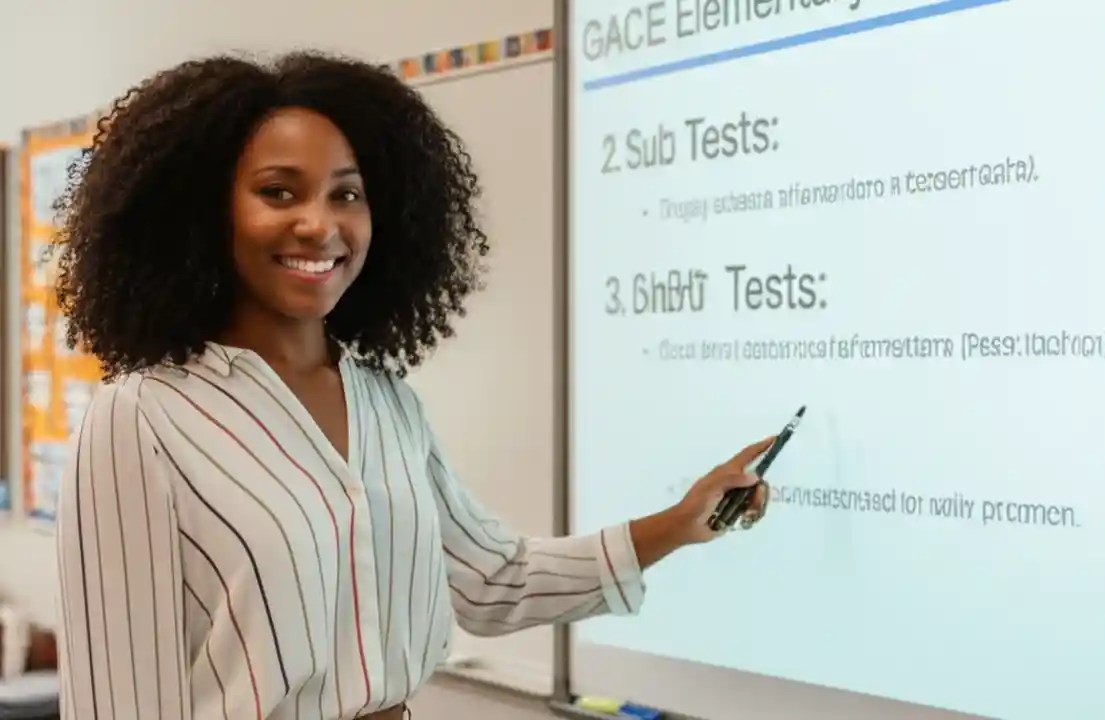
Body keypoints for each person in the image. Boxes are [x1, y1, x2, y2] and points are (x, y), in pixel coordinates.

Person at [49, 51, 772, 720]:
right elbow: (117, 698)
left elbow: (495, 579)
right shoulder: (140, 418)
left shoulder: (385, 403)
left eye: (348, 194)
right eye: (278, 192)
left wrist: (681, 523)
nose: (319, 224)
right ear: (206, 214)